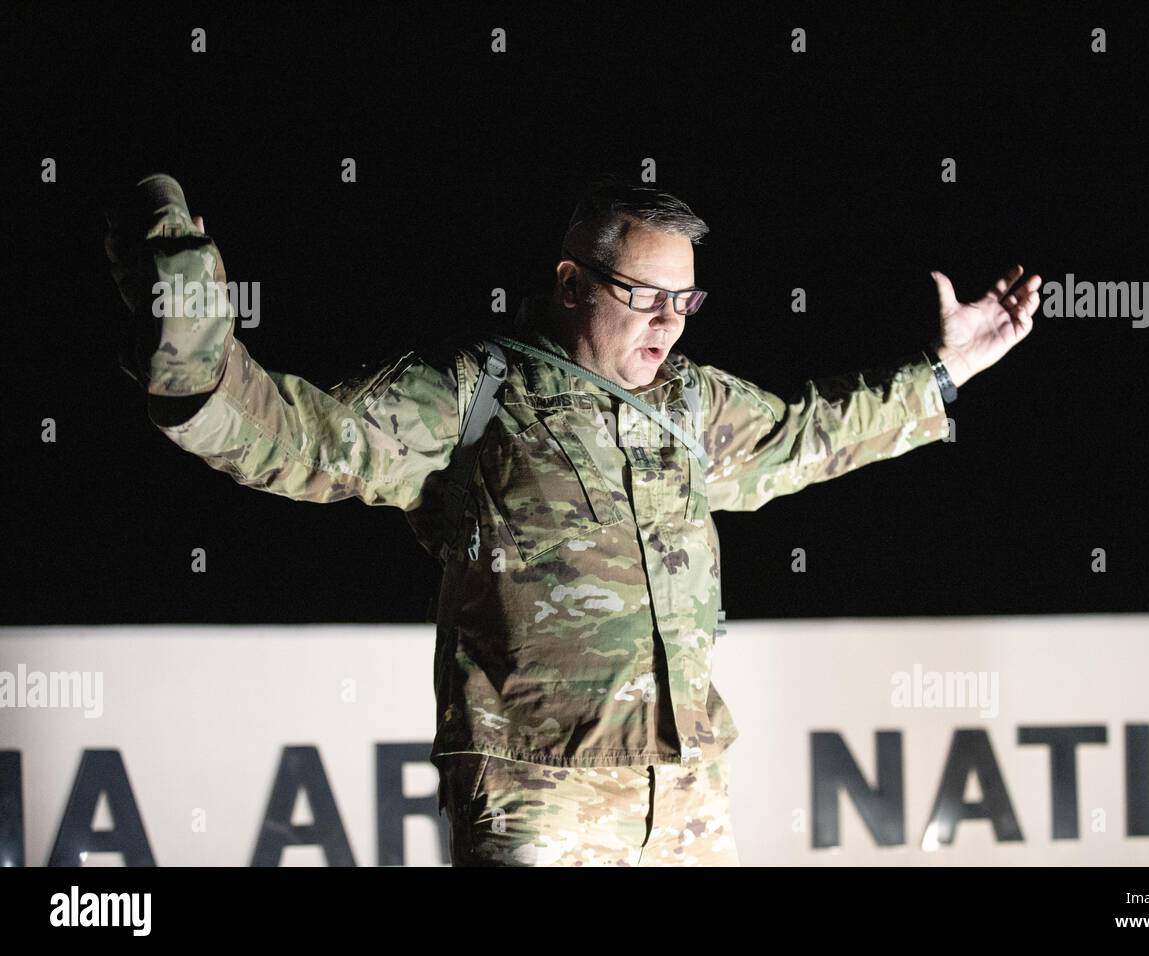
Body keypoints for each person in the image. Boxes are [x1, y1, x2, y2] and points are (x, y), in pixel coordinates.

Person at [105, 172, 1039, 866]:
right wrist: (193, 361)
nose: (669, 324)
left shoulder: (692, 405)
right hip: (538, 802)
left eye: (686, 300)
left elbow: (809, 436)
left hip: (685, 801)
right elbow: (309, 441)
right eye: (644, 296)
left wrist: (941, 375)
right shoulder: (479, 394)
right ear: (570, 281)